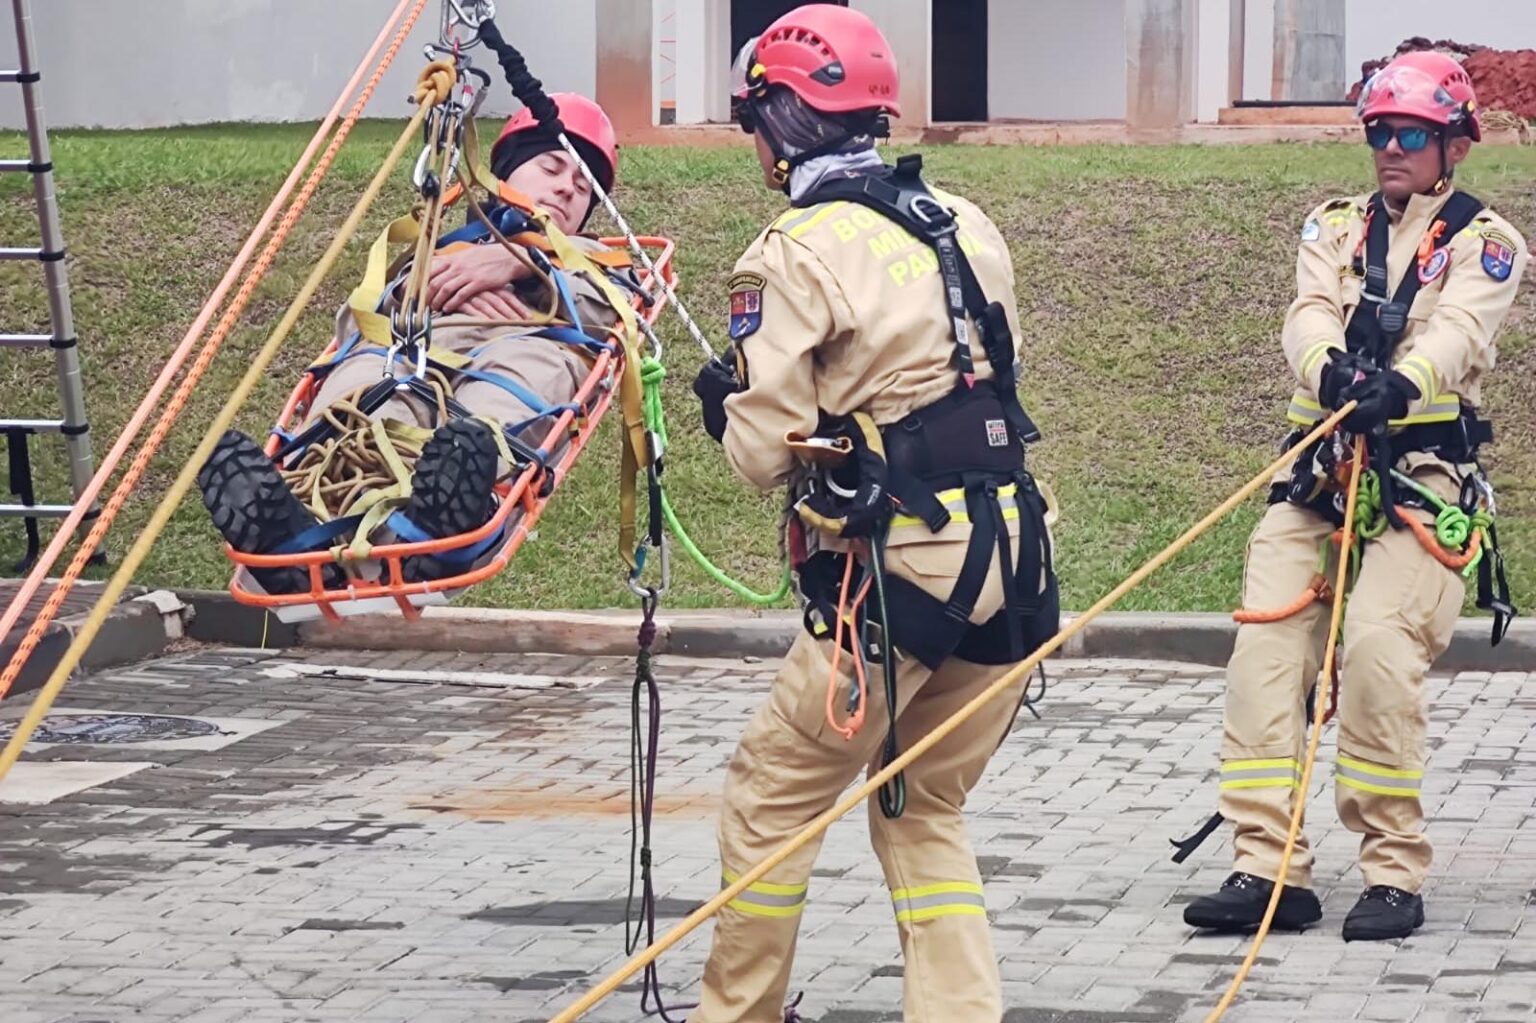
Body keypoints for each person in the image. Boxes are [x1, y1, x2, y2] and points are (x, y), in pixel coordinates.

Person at [688, 6, 1059, 1020]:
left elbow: (767, 455)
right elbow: (965, 387)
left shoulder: (793, 252)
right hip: (1014, 563)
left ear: (782, 121)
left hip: (904, 577)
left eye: (754, 122)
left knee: (773, 798)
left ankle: (739, 1013)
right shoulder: (961, 221)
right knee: (921, 804)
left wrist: (734, 405)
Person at [1183, 51, 1526, 942]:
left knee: (1377, 649)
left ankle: (1390, 870)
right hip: (1317, 478)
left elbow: (1458, 332)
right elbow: (1306, 310)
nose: (1391, 147)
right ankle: (1266, 869)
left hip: (1422, 484)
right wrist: (1328, 366)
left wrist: (1401, 386)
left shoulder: (1489, 242)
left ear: (1454, 144)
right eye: (1379, 131)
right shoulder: (1333, 226)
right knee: (1263, 653)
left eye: (1411, 133)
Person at [197, 93, 635, 593]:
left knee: (491, 415)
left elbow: (610, 313)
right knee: (365, 393)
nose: (566, 189)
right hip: (410, 350)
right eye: (552, 167)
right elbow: (355, 323)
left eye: (583, 187)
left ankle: (447, 521)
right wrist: (415, 290)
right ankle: (300, 533)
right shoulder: (436, 249)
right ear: (506, 173)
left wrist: (523, 262)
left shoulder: (597, 257)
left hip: (524, 347)